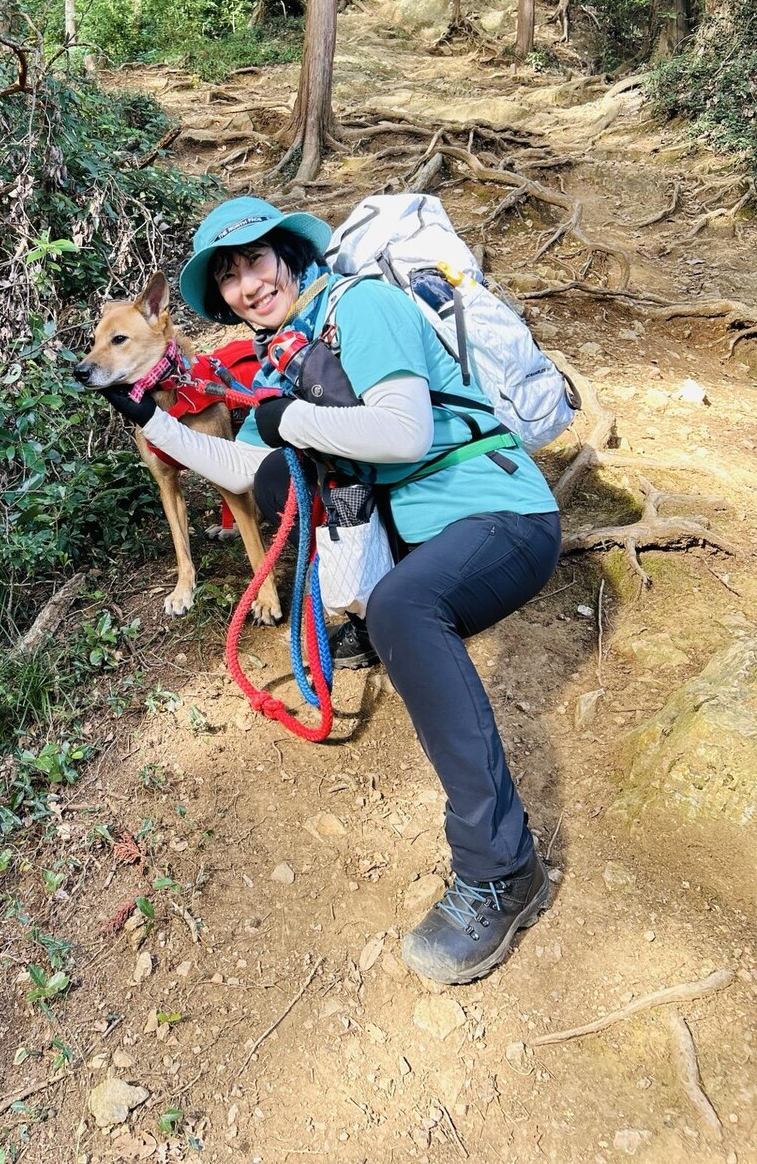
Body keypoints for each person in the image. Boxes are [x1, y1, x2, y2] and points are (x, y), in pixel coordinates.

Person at [100, 197, 561, 985]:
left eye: (255, 261)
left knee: (406, 608)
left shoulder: (365, 307)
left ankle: (500, 868)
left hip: (499, 515)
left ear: (289, 255)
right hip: (421, 527)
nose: (246, 285)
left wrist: (291, 421)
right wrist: (151, 419)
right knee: (284, 478)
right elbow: (249, 470)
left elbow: (404, 433)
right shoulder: (282, 357)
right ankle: (386, 619)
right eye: (228, 276)